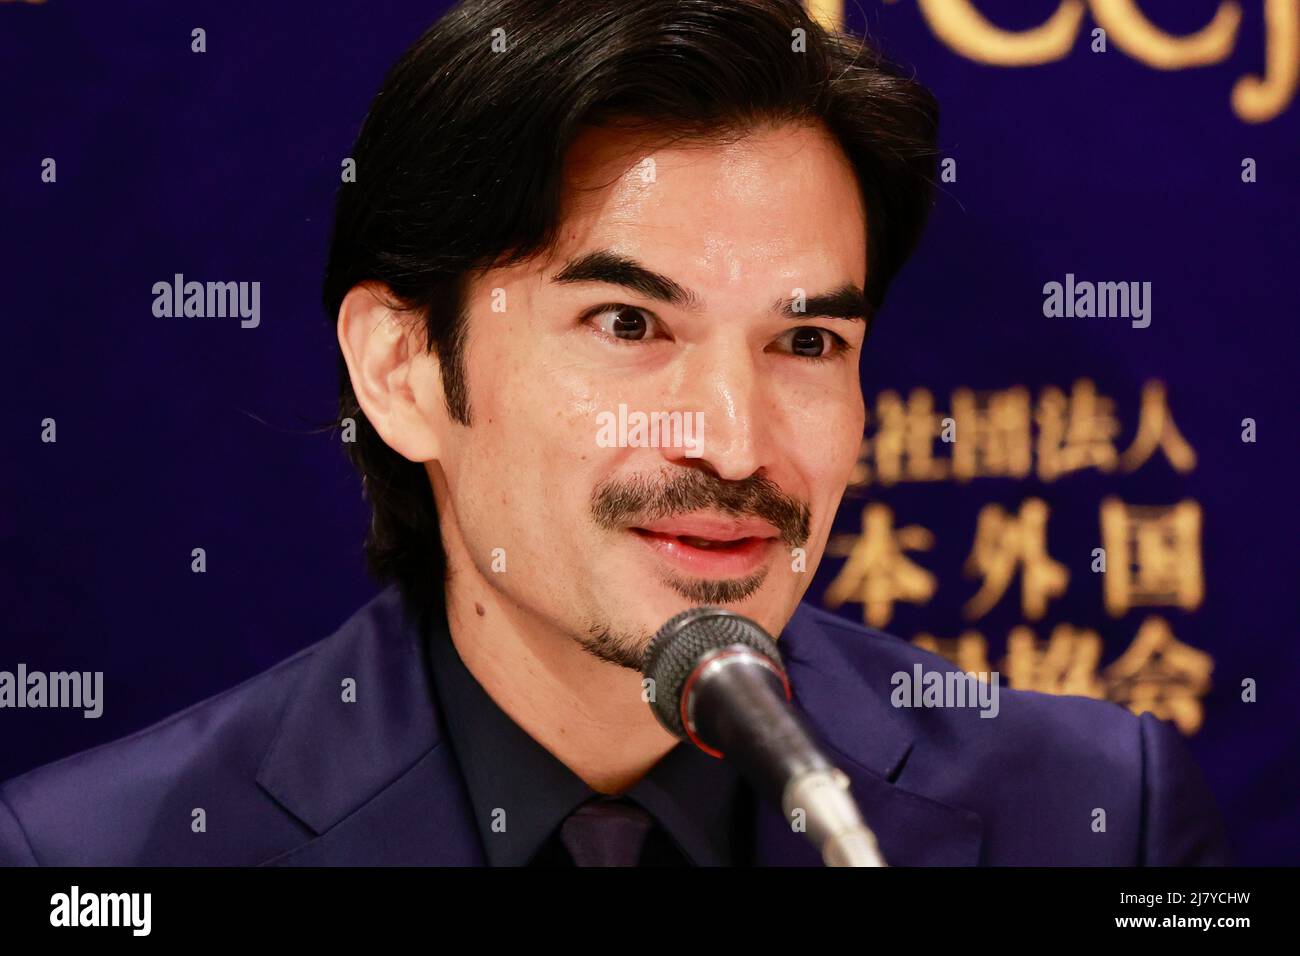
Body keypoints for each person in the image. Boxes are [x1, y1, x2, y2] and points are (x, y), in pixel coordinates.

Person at [0, 0, 1228, 866]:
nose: (735, 445)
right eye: (629, 321)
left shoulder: (1093, 813)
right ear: (402, 369)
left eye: (806, 343)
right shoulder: (99, 858)